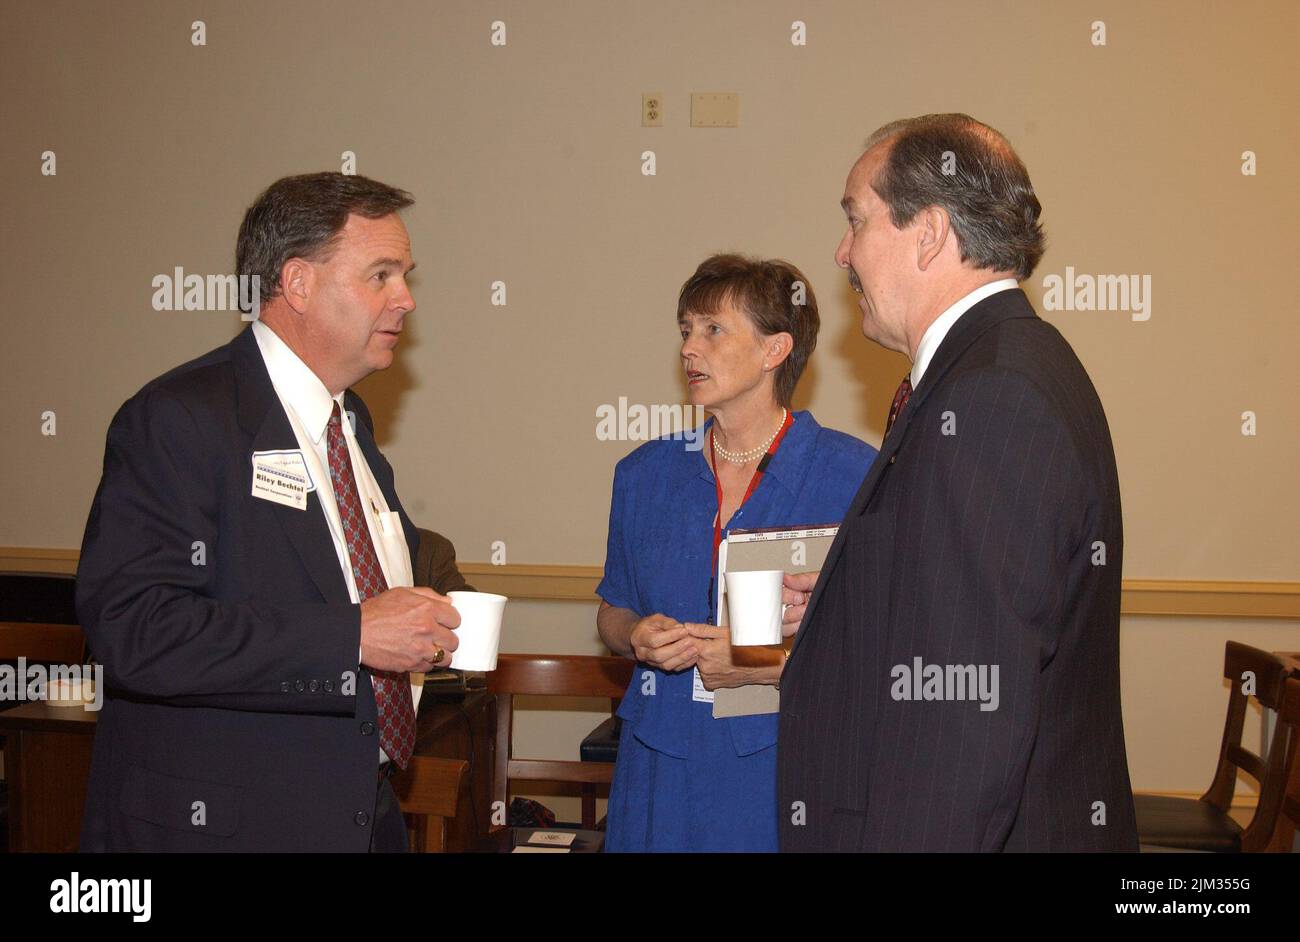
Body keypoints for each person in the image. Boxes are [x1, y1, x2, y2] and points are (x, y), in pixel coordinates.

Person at [778, 114, 1138, 851]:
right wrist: (862, 596)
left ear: (930, 232)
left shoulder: (989, 396)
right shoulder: (1000, 366)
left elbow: (963, 717)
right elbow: (980, 601)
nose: (842, 252)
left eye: (856, 219)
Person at [76, 172, 461, 851]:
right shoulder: (181, 418)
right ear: (299, 283)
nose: (405, 299)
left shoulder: (351, 422)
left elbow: (341, 584)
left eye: (405, 276)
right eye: (380, 275)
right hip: (223, 825)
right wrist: (351, 636)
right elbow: (137, 632)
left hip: (357, 815)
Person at [596, 254, 877, 851]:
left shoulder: (852, 477)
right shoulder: (644, 474)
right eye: (685, 331)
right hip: (658, 764)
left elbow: (879, 641)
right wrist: (635, 634)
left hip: (784, 767)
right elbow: (611, 610)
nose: (689, 349)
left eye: (712, 330)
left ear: (776, 349)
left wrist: (758, 660)